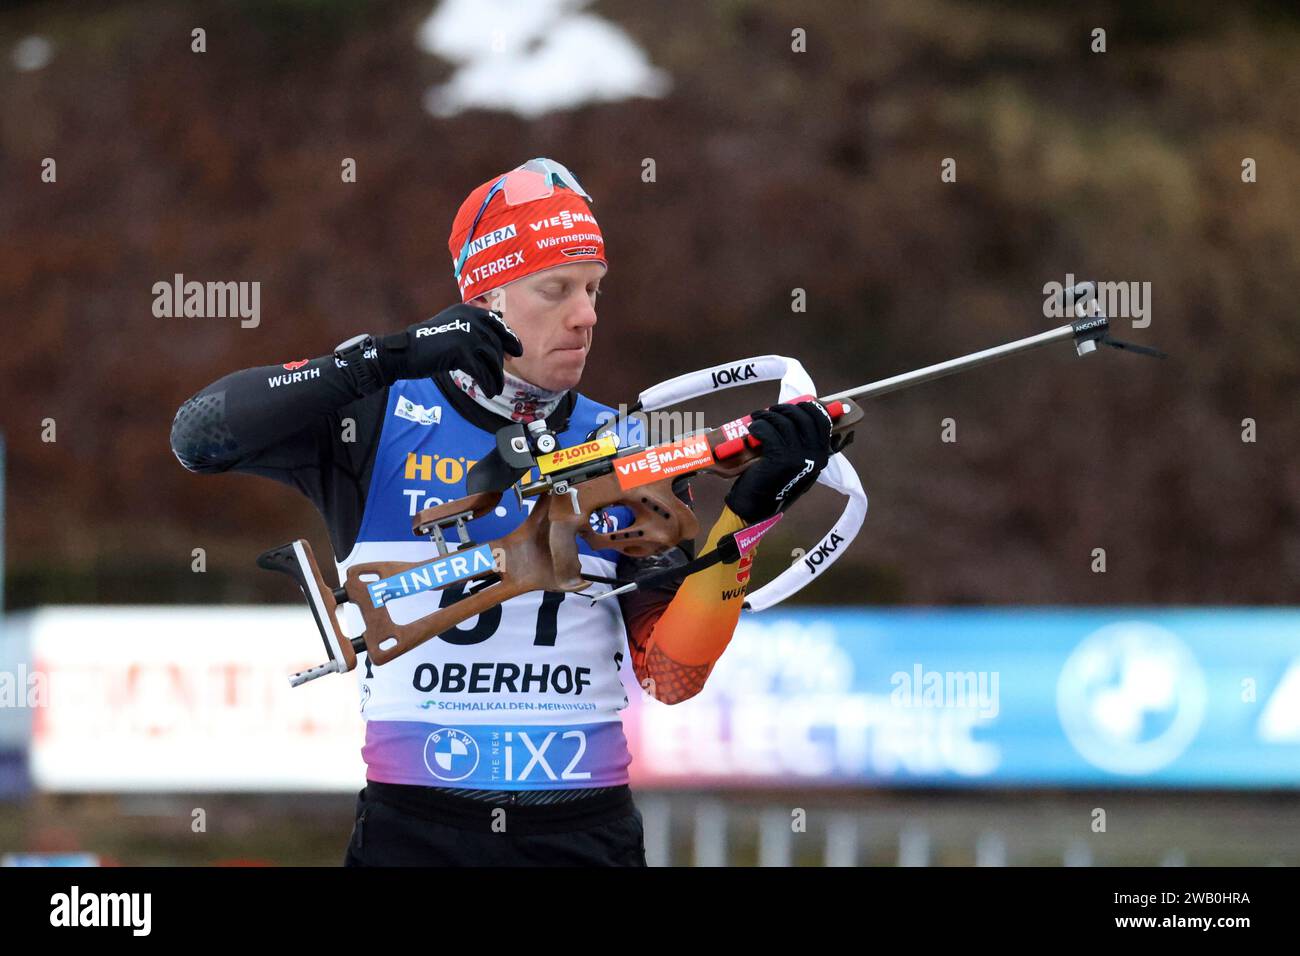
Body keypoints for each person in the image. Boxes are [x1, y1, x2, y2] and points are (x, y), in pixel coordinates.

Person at [170, 157, 834, 866]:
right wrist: (386, 356)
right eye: (556, 289)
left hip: (583, 829)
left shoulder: (627, 443)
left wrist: (750, 514)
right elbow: (199, 436)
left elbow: (672, 674)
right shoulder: (379, 415)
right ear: (487, 298)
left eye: (593, 289)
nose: (585, 316)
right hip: (418, 829)